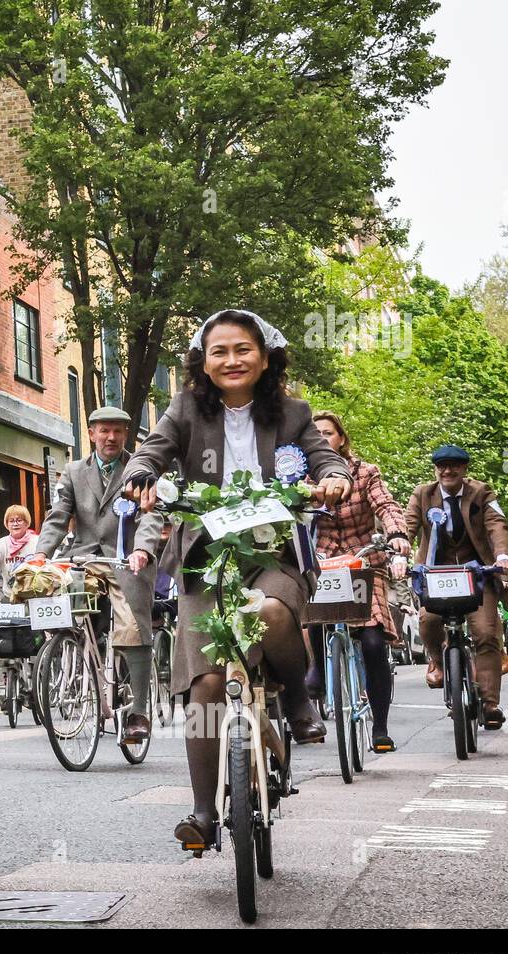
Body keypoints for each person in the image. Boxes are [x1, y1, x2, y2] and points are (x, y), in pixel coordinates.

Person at [124, 309, 351, 852]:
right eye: (219, 351)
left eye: (242, 349)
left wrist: (334, 480)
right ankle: (203, 815)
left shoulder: (294, 413)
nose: (231, 360)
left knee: (272, 612)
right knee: (203, 683)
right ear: (203, 362)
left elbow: (324, 459)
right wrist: (140, 476)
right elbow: (151, 451)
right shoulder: (183, 410)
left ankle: (297, 697)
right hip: (207, 557)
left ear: (265, 357)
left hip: (275, 550)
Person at [37, 405, 165, 745]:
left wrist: (143, 549)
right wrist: (40, 554)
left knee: (131, 624)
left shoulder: (140, 470)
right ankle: (72, 654)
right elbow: (58, 515)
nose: (110, 437)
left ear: (126, 435)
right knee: (57, 596)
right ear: (91, 433)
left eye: (117, 431)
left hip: (127, 561)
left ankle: (137, 712)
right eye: (103, 430)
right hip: (83, 558)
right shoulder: (74, 471)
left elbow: (152, 516)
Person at [305, 411, 412, 753]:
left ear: (342, 439)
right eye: (315, 434)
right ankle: (319, 673)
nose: (322, 439)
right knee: (314, 618)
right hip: (322, 561)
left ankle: (380, 726)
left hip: (363, 561)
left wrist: (396, 533)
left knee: (372, 641)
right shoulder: (301, 476)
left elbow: (387, 505)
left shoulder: (366, 473)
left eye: (328, 433)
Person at [405, 445, 508, 729]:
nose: (447, 471)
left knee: (486, 633)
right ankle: (438, 663)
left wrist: (502, 556)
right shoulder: (422, 494)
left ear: (464, 469)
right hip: (436, 574)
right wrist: (397, 552)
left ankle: (490, 703)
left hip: (477, 574)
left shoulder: (482, 492)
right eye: (441, 466)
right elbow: (408, 526)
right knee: (428, 621)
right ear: (435, 470)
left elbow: (497, 525)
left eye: (454, 465)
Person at [0, 505, 39, 595]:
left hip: (36, 595)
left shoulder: (38, 541)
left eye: (19, 520)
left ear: (26, 523)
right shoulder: (0, 544)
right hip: (10, 597)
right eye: (11, 521)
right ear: (7, 524)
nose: (15, 524)